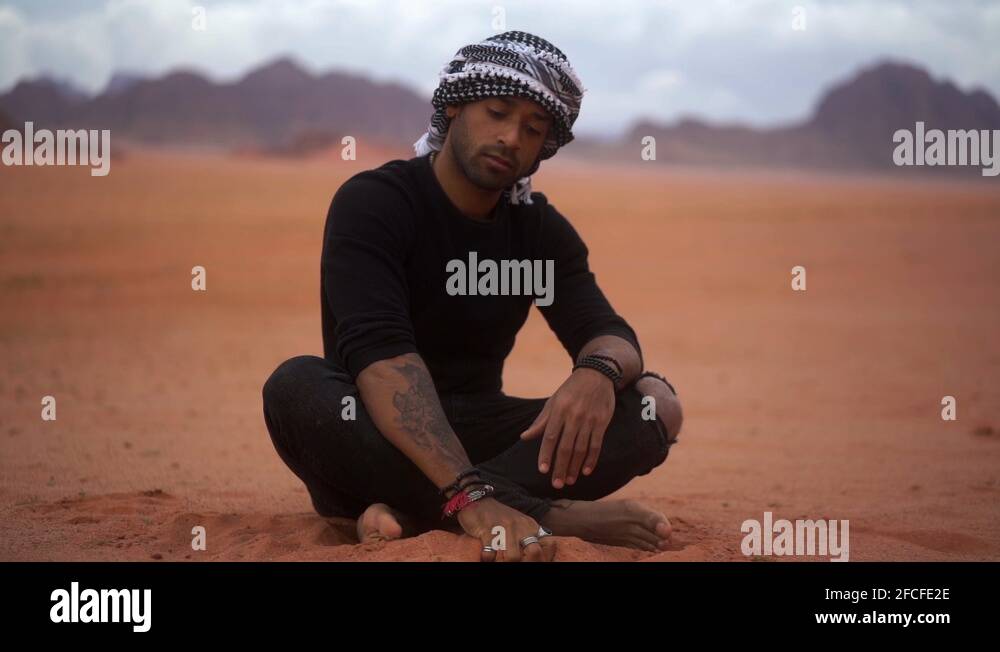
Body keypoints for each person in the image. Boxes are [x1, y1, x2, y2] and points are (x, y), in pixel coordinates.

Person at [262, 30, 684, 562]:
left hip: (485, 431)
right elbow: (383, 363)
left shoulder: (538, 232)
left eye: (533, 129)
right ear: (456, 107)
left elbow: (610, 333)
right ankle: (541, 513)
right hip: (373, 429)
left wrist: (596, 372)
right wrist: (474, 497)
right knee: (295, 387)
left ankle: (411, 514)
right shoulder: (374, 203)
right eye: (498, 112)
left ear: (544, 148)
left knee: (654, 405)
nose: (511, 137)